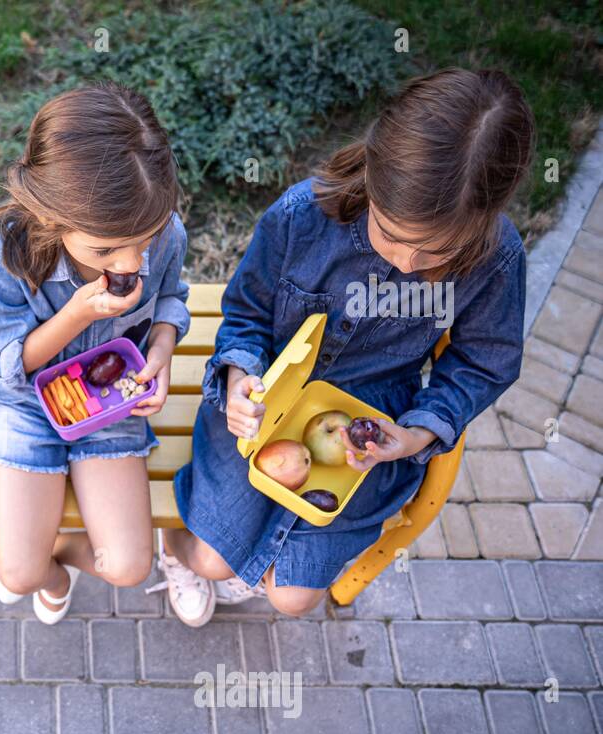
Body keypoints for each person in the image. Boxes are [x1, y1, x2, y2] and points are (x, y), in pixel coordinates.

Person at [158, 68, 534, 626]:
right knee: (213, 559)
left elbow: (484, 363)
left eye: (436, 253)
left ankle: (254, 561)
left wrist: (416, 434)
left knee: (290, 596)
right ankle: (175, 549)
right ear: (374, 177)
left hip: (374, 429)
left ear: (483, 221)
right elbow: (248, 313)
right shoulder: (300, 217)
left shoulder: (496, 259)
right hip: (268, 403)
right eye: (395, 236)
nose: (407, 265)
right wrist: (239, 377)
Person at [0, 81, 190, 623]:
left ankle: (66, 546)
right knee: (19, 575)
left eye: (145, 241)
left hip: (110, 398)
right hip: (26, 401)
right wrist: (76, 314)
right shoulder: (6, 253)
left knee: (127, 567)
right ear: (52, 215)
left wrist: (161, 349)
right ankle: (52, 571)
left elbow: (170, 301)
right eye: (106, 249)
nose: (130, 264)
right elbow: (6, 366)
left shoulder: (162, 235)